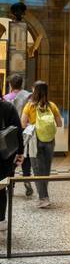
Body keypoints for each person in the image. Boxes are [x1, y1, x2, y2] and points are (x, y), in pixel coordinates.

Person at [21, 81, 62, 208]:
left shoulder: (30, 106)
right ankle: (44, 197)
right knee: (46, 169)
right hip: (49, 140)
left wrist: (33, 125)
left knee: (37, 170)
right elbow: (59, 123)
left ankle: (44, 198)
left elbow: (23, 123)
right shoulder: (52, 106)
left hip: (35, 140)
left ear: (35, 91)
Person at [5, 74, 33, 197]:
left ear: (10, 84)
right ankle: (27, 180)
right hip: (25, 131)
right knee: (25, 156)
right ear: (21, 84)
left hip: (9, 132)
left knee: (11, 157)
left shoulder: (6, 98)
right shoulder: (28, 96)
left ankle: (11, 185)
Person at [0, 95, 22, 229]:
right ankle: (1, 220)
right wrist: (20, 153)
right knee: (1, 188)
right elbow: (18, 131)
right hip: (4, 156)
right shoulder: (8, 107)